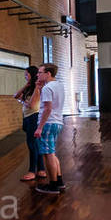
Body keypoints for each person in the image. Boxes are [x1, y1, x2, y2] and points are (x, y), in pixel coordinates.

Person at [33, 63, 66, 195]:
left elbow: (48, 108)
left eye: (40, 72)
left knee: (48, 155)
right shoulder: (58, 85)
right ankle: (59, 182)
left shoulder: (48, 88)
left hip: (48, 123)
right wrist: (40, 89)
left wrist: (40, 127)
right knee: (51, 153)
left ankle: (53, 186)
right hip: (57, 122)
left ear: (48, 74)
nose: (37, 74)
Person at [14, 65, 45, 182]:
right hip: (27, 117)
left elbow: (32, 105)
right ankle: (41, 169)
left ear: (32, 75)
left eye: (27, 74)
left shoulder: (37, 88)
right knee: (35, 144)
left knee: (32, 145)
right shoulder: (29, 88)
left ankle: (32, 171)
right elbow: (16, 95)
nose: (25, 76)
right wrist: (25, 86)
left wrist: (23, 101)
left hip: (34, 117)